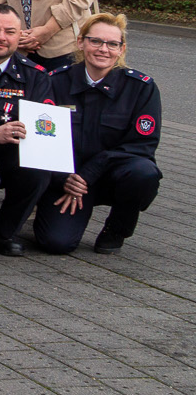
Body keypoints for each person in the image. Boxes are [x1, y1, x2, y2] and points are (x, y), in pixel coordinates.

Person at [35, 13, 161, 255]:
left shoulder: (141, 88)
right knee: (55, 243)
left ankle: (117, 228)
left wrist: (89, 172)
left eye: (112, 44)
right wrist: (64, 178)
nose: (104, 49)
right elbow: (40, 140)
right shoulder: (54, 82)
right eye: (96, 41)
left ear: (121, 49)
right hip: (68, 180)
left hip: (111, 176)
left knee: (144, 174)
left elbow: (142, 145)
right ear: (81, 42)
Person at [0, 4, 57, 255]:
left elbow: (44, 132)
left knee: (39, 169)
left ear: (19, 36)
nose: (1, 37)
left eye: (10, 31)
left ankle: (5, 231)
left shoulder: (36, 76)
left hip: (9, 157)